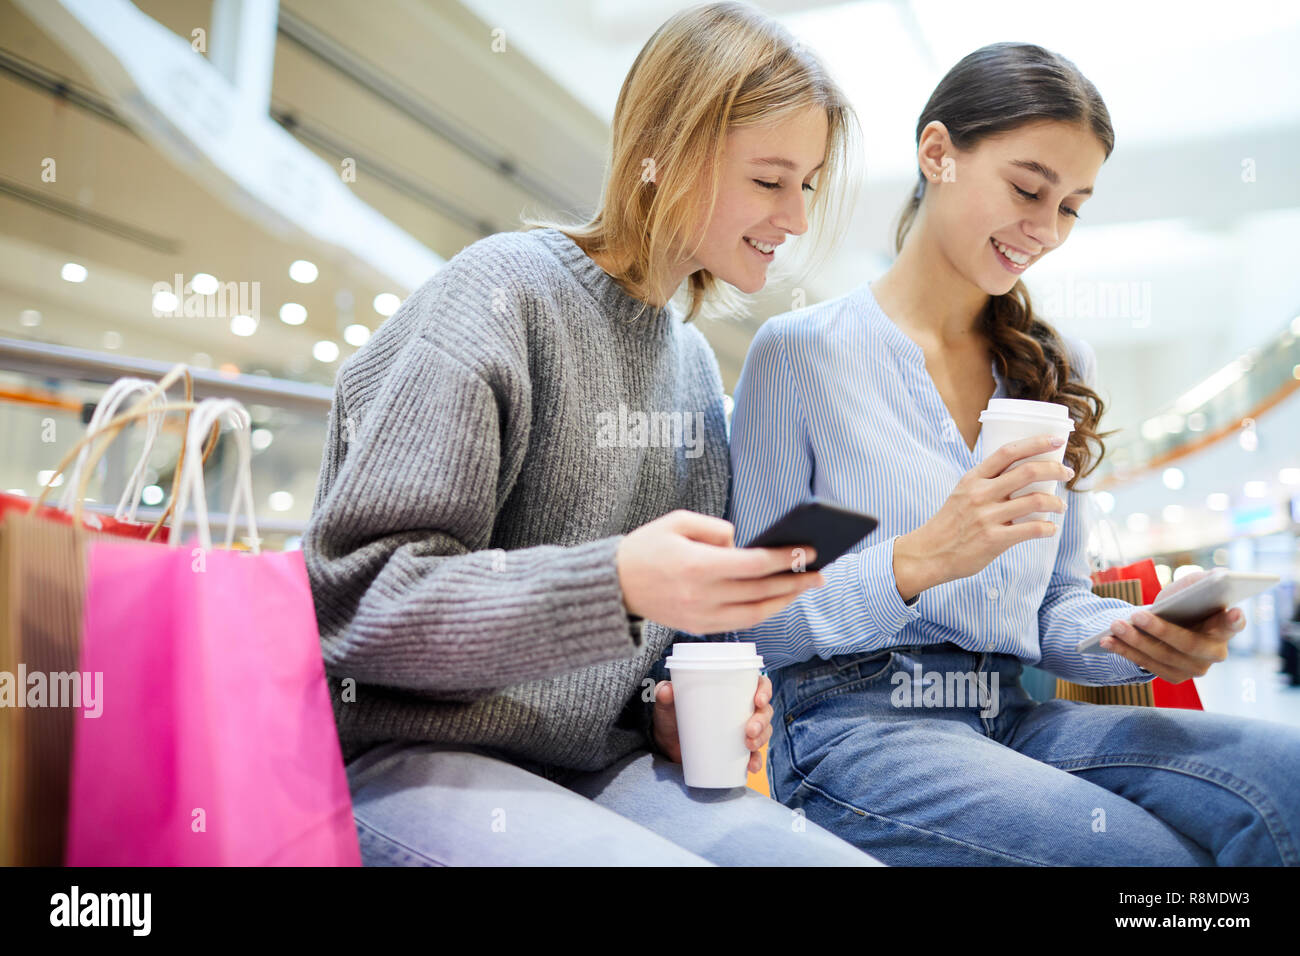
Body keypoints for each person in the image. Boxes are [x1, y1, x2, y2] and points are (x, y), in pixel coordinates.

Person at [302, 2, 878, 866]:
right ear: (670, 155)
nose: (796, 219)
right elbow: (354, 605)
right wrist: (614, 584)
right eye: (770, 180)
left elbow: (628, 669)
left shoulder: (688, 365)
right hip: (408, 764)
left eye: (809, 183)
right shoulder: (501, 295)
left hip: (595, 770)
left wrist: (663, 708)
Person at [729, 41, 1300, 866]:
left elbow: (1057, 605)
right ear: (938, 155)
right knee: (1146, 862)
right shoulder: (805, 355)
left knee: (1284, 782)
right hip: (851, 723)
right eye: (1028, 189)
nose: (1045, 228)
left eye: (1071, 206)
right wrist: (917, 560)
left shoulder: (1053, 365)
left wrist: (1130, 635)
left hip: (1015, 710)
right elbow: (762, 616)